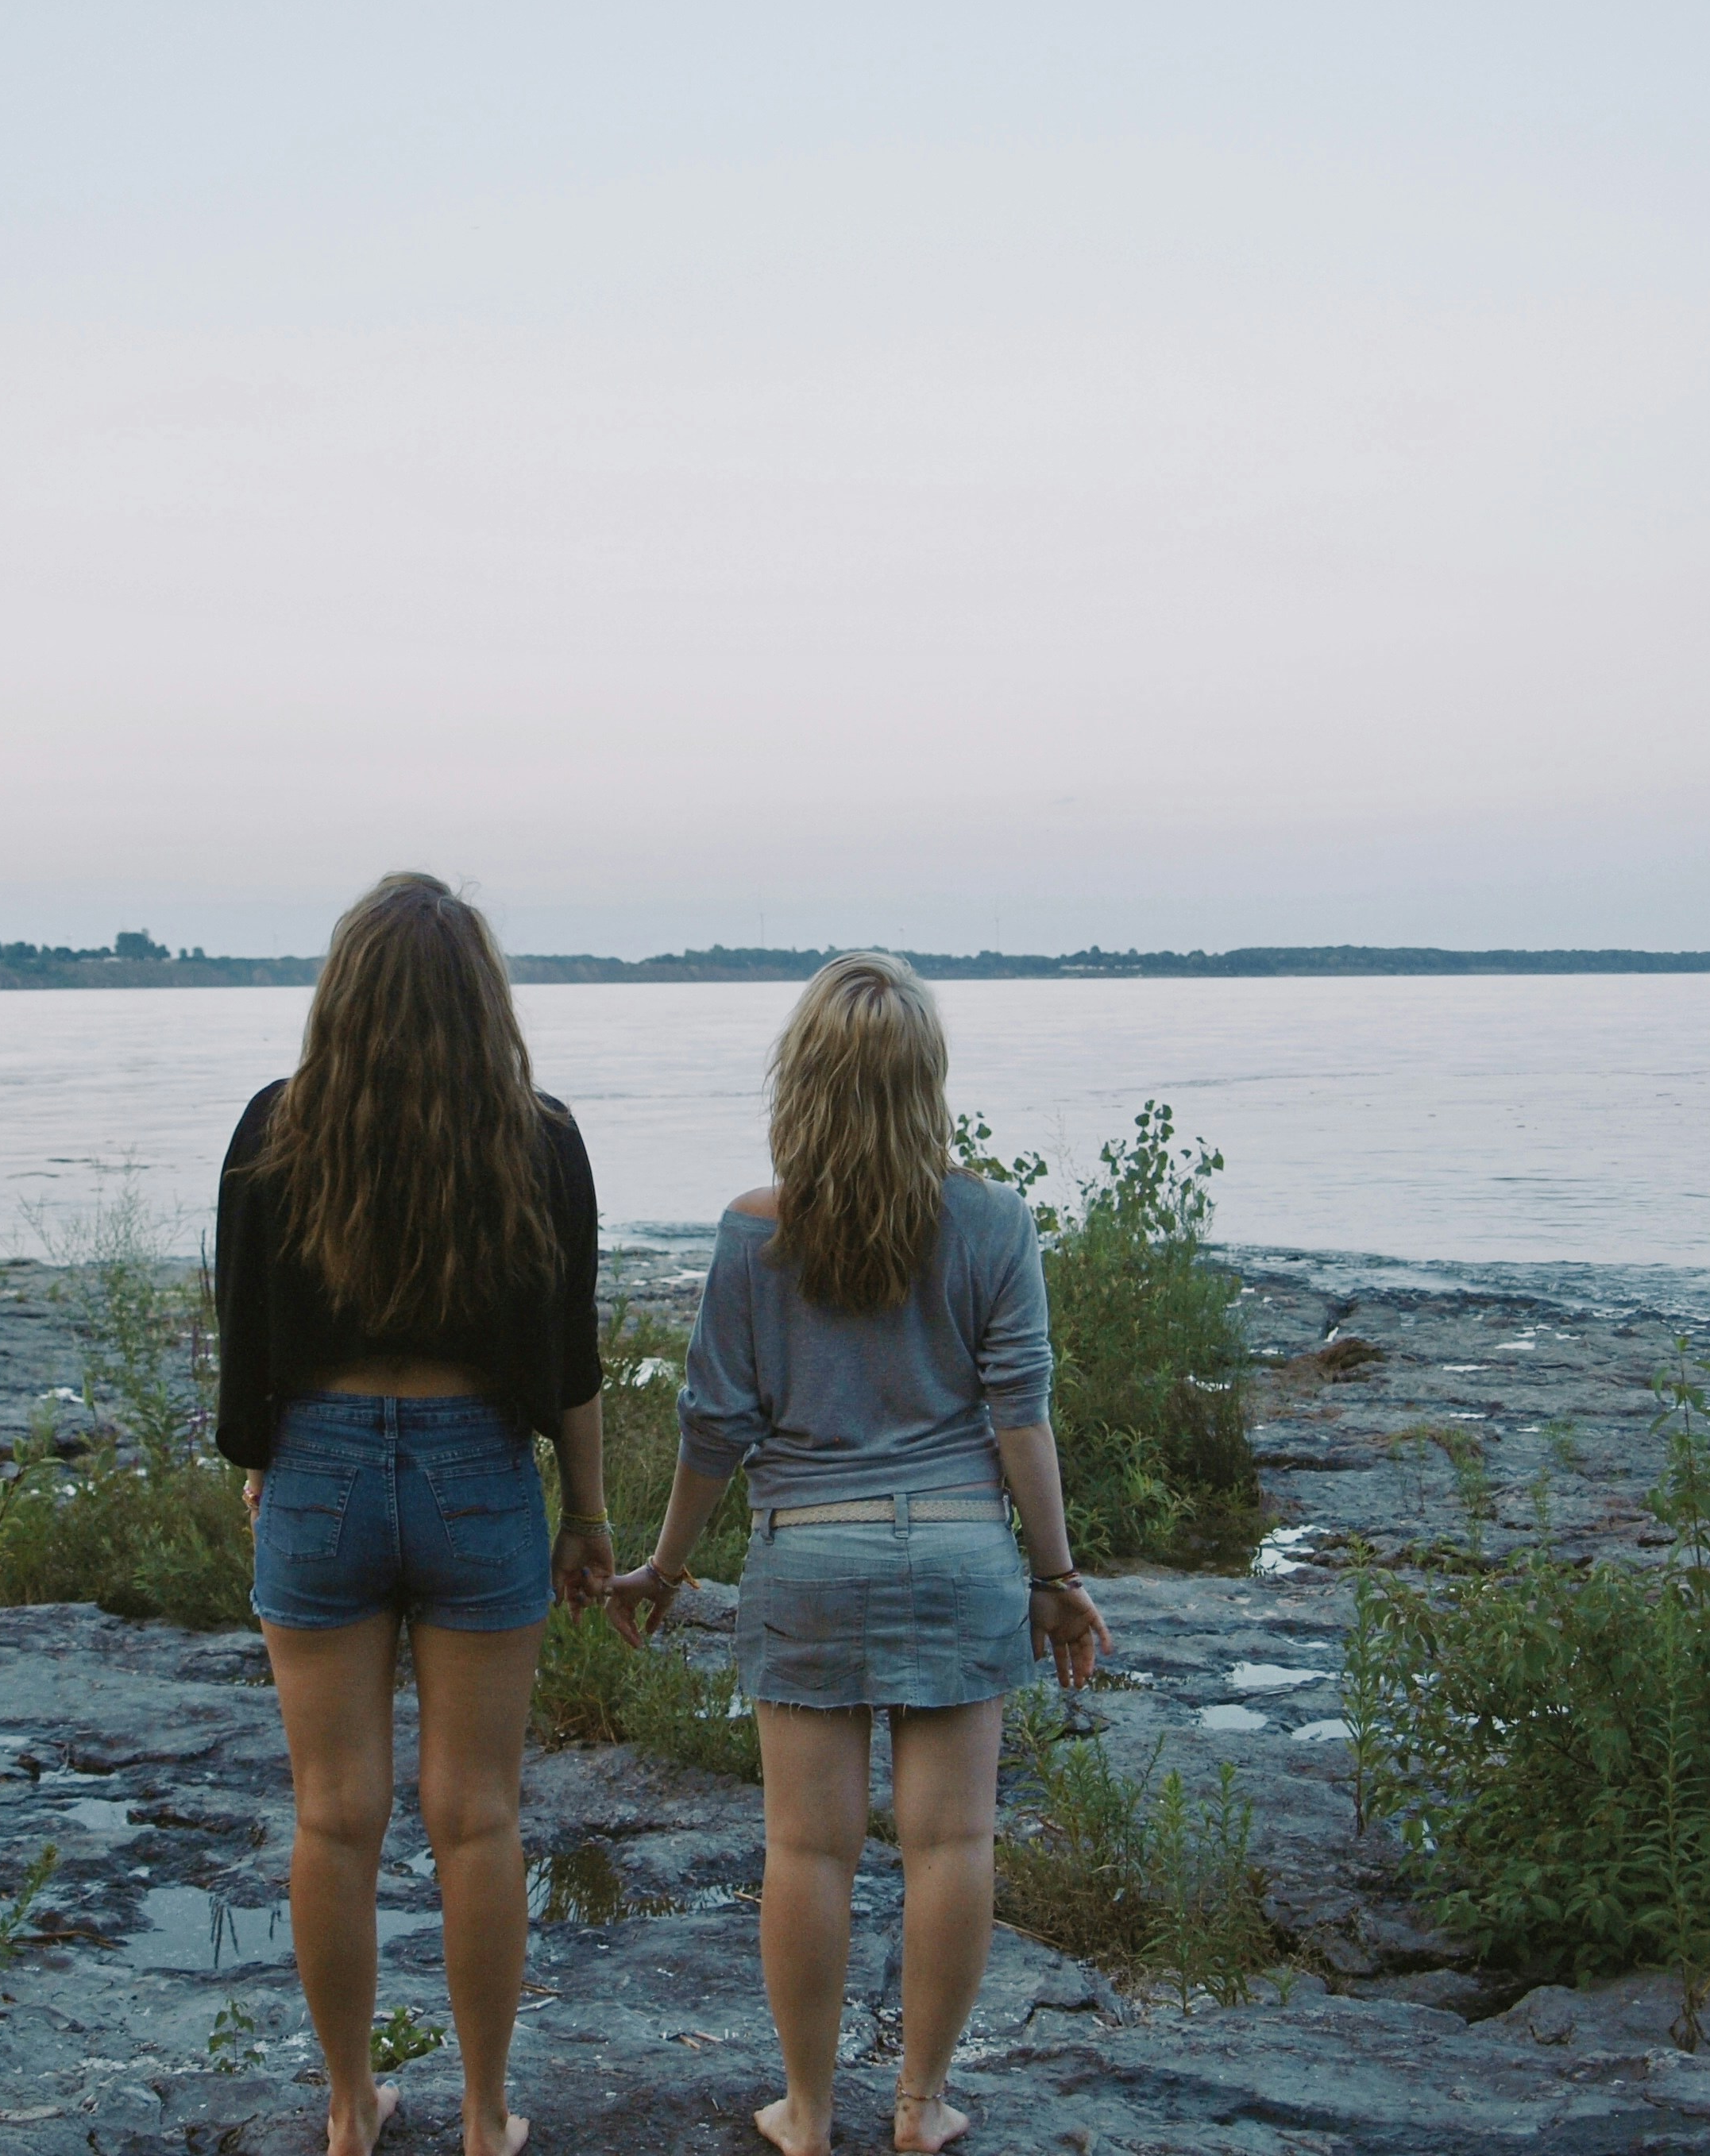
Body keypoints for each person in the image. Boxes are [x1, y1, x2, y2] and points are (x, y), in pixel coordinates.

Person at [607, 952, 1111, 2156]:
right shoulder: (992, 1220)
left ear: (805, 1081)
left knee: (806, 1847)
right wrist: (1057, 1579)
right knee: (952, 1842)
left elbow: (714, 1428)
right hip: (957, 1556)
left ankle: (811, 2111)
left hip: (809, 1561)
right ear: (929, 1081)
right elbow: (1020, 1417)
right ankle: (922, 2105)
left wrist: (665, 1571)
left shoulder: (752, 1234)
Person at [215, 873, 612, 2156]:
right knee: (478, 1815)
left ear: (344, 999)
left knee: (335, 1813)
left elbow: (245, 1340)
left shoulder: (276, 1131)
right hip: (478, 1468)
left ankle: (347, 2110)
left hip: (319, 1463)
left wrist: (263, 1461)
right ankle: (487, 2119)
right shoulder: (537, 1138)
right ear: (479, 999)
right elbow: (568, 1364)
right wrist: (588, 1515)